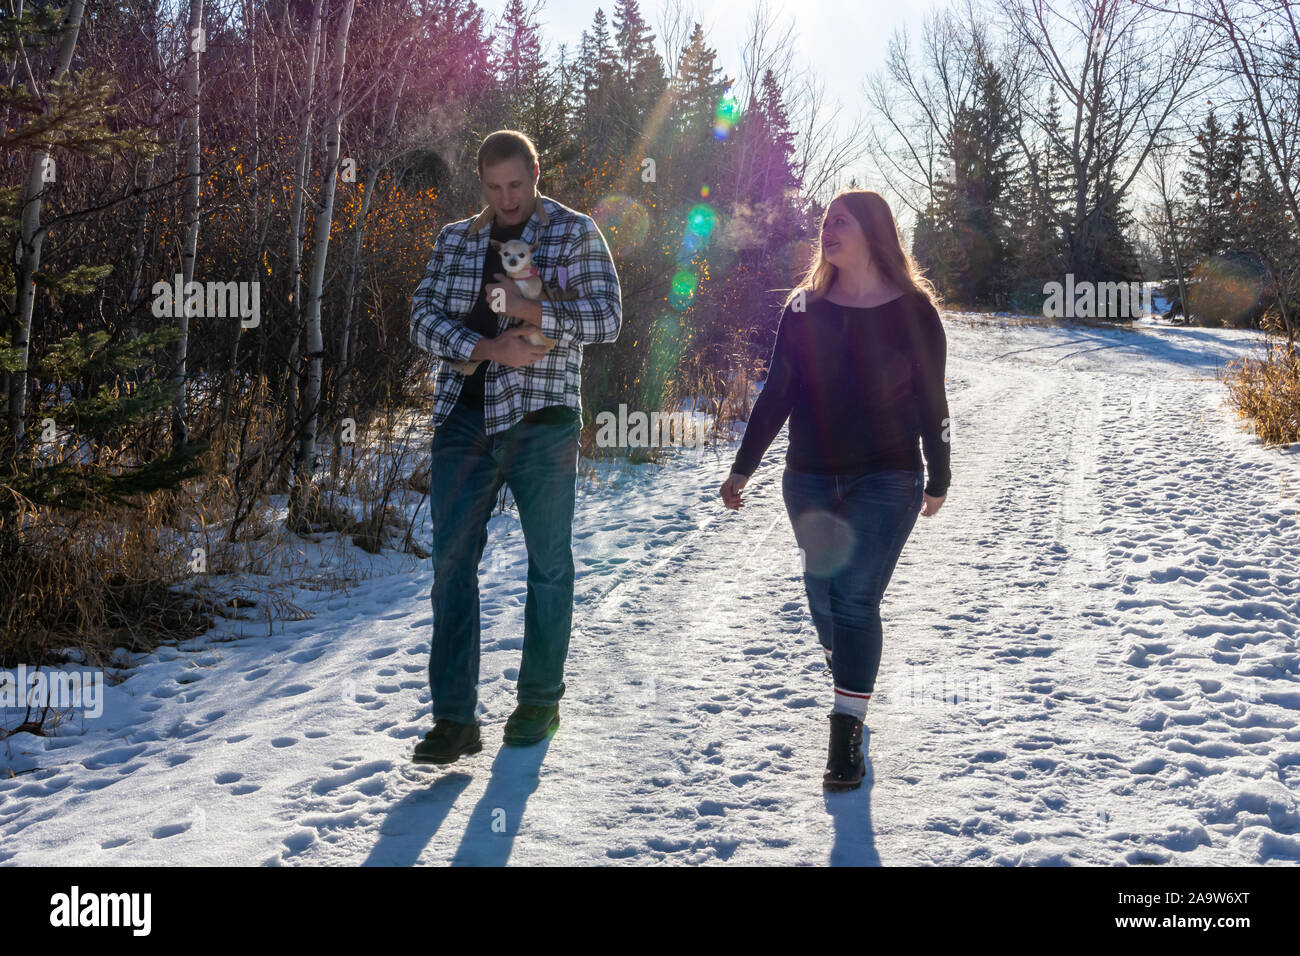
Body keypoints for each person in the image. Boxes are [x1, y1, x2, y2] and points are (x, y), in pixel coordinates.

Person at [718, 189, 951, 791]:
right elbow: (778, 391)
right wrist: (744, 466)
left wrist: (939, 470)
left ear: (872, 231)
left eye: (840, 221)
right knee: (822, 594)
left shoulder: (914, 311)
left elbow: (933, 398)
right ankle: (845, 658)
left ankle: (846, 730)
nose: (827, 229)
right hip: (811, 474)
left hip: (889, 473)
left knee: (852, 596)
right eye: (824, 221)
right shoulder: (803, 309)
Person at [408, 130, 622, 763]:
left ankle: (538, 703)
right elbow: (419, 317)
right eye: (494, 188)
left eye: (517, 186)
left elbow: (608, 317)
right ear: (483, 183)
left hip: (542, 419)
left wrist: (535, 313)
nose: (507, 199)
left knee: (549, 564)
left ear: (535, 173)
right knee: (451, 567)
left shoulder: (576, 233)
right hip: (463, 421)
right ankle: (454, 720)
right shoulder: (456, 240)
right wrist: (486, 347)